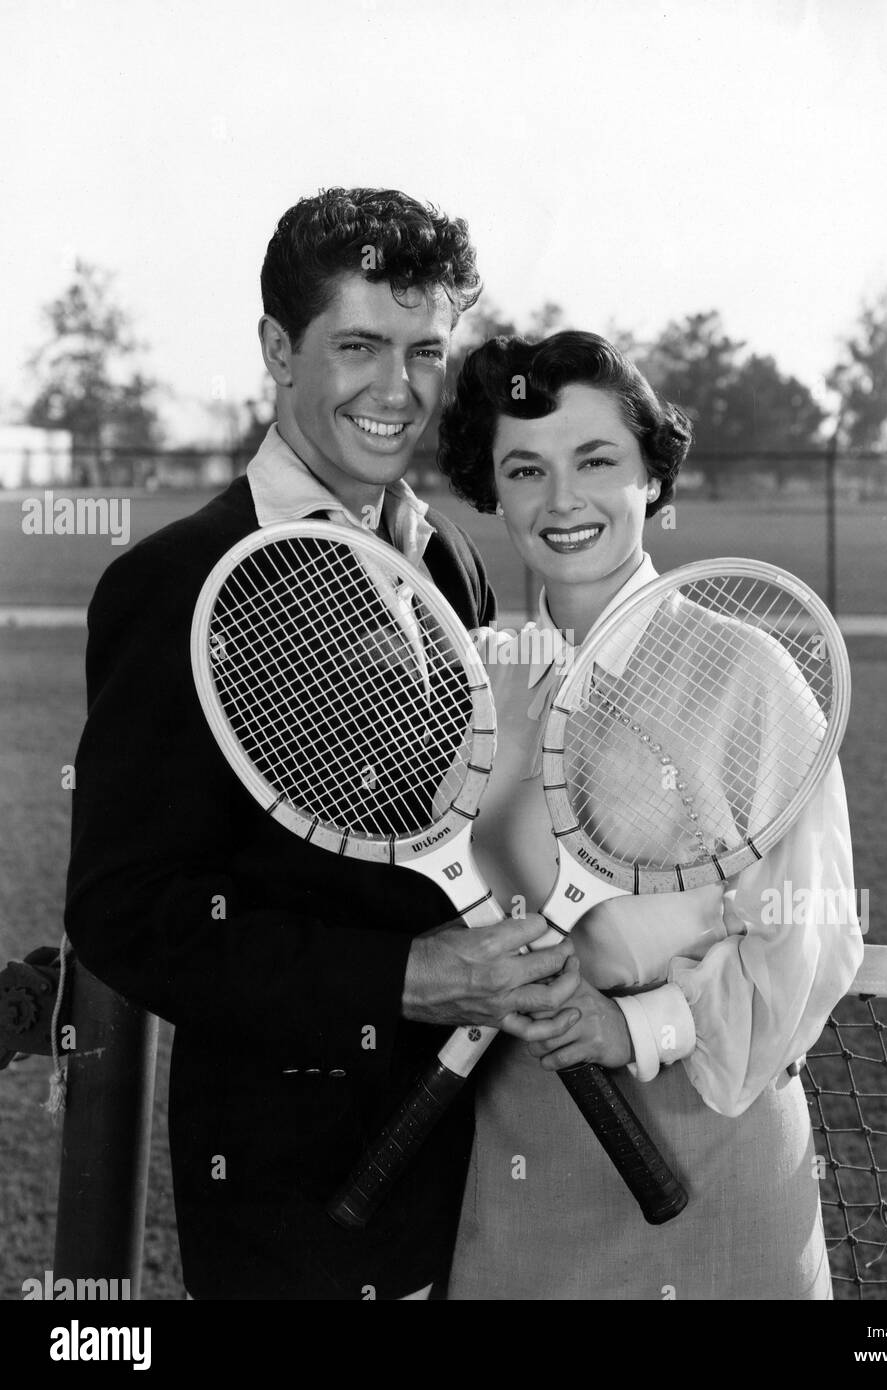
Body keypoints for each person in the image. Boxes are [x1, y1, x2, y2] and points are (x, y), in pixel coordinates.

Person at [64, 189, 579, 1301]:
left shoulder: (450, 565)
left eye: (425, 351)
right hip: (296, 1203)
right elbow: (127, 912)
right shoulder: (173, 583)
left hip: (470, 1175)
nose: (396, 390)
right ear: (275, 350)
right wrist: (405, 976)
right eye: (357, 346)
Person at [437, 331, 865, 1300]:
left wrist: (627, 1026)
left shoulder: (748, 675)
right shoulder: (480, 687)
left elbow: (811, 940)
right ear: (491, 490)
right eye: (524, 468)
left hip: (711, 1157)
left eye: (597, 460)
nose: (561, 499)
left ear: (651, 482)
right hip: (521, 1167)